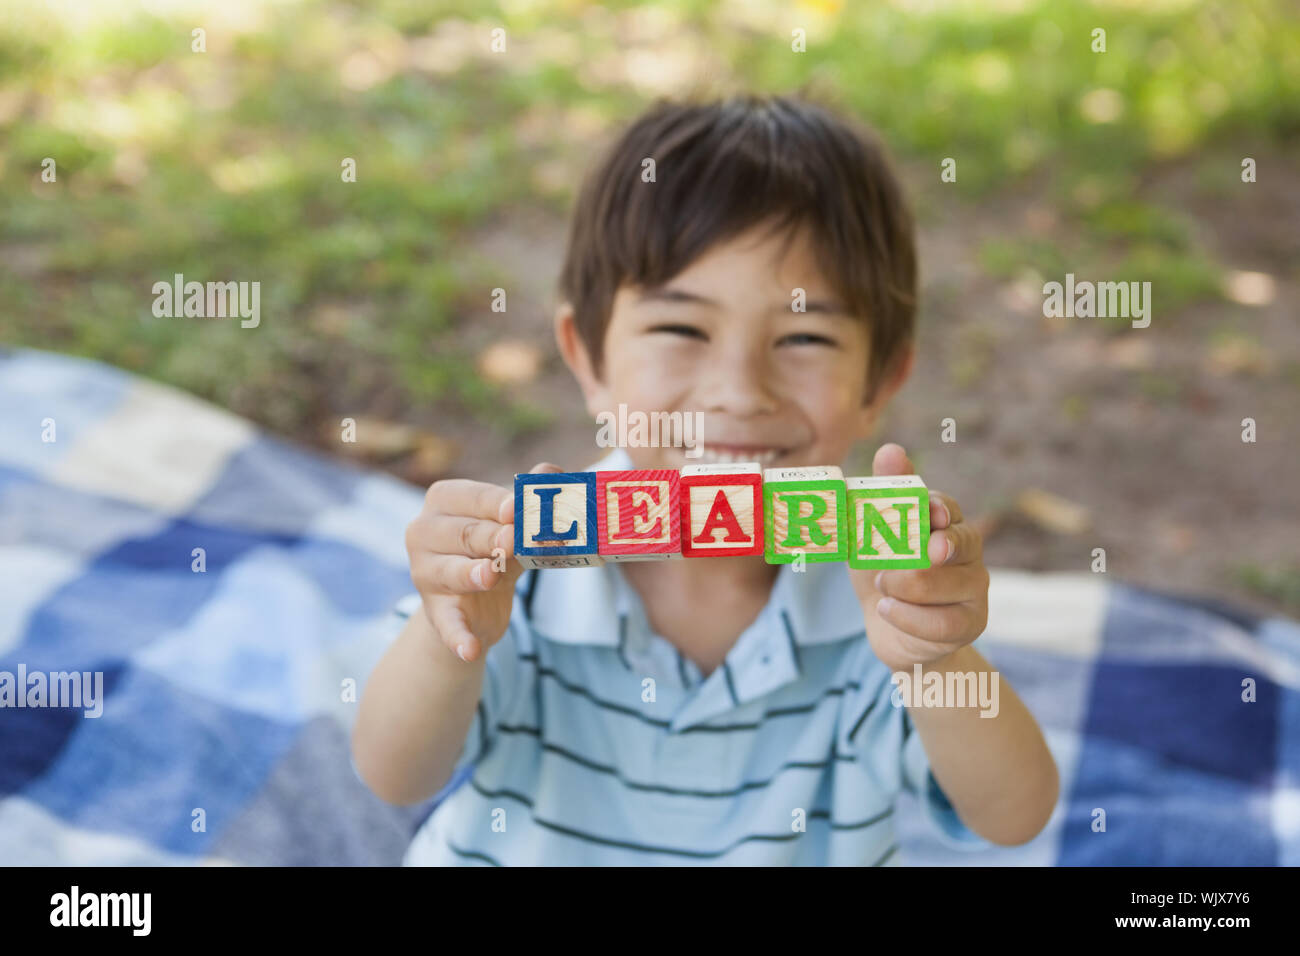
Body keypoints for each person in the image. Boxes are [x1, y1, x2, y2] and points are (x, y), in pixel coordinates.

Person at [352, 93, 1059, 865]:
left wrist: (938, 657)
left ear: (879, 383)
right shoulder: (514, 577)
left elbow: (1013, 815)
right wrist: (446, 632)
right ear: (588, 359)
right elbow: (395, 775)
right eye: (681, 328)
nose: (738, 390)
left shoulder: (883, 605)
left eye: (804, 336)